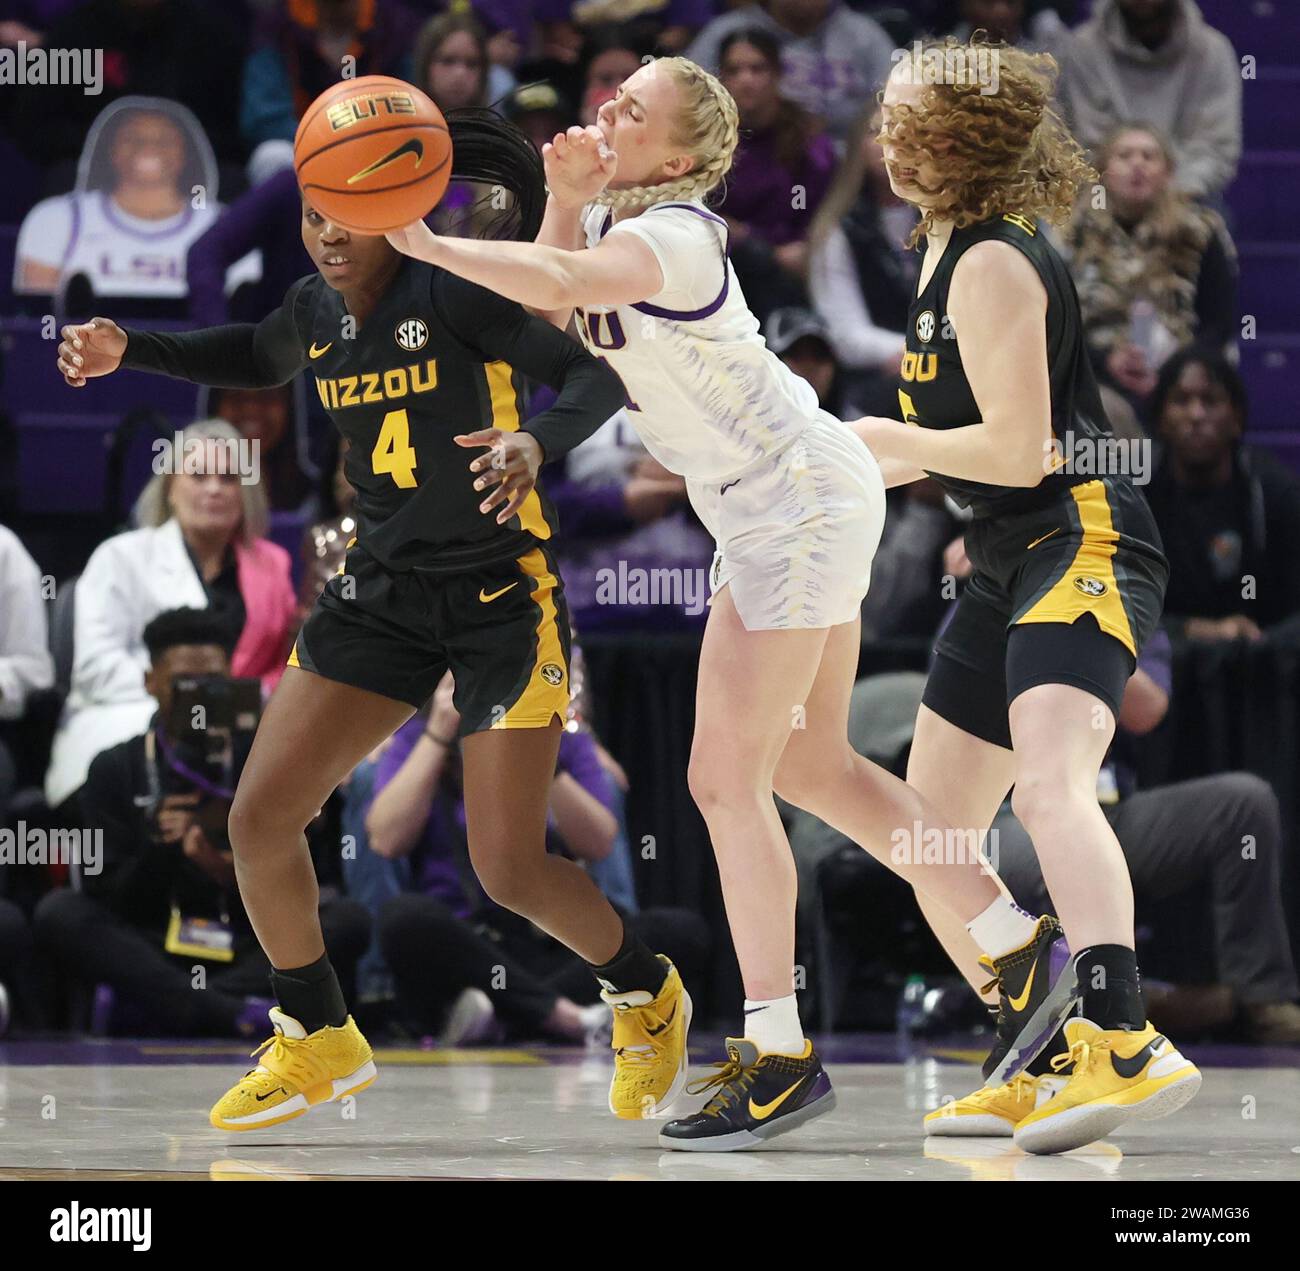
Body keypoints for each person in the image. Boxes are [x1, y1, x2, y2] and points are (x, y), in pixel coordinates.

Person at [383, 55, 1064, 1153]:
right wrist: (560, 198)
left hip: (790, 498)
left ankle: (779, 1049)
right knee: (810, 768)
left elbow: (559, 289)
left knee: (723, 779)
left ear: (683, 157)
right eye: (611, 97)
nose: (608, 111)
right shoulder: (613, 221)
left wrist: (422, 241)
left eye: (631, 110)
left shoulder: (680, 236)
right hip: (783, 499)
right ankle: (1017, 944)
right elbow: (554, 326)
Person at [54, 109, 681, 1136]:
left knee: (507, 866)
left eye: (348, 214)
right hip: (381, 592)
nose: (327, 234)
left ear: (395, 214)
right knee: (259, 817)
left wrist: (532, 441)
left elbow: (591, 378)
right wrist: (136, 347)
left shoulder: (460, 292)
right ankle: (317, 1031)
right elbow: (253, 352)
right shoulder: (312, 310)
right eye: (312, 216)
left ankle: (642, 986)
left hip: (497, 596)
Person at [852, 40, 1200, 1155]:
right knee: (932, 836)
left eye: (902, 120)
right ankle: (1039, 1045)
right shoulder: (936, 246)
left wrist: (878, 441)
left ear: (957, 141)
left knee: (1051, 788)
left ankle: (1121, 1031)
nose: (879, 138)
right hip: (1001, 554)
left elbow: (1016, 446)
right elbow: (955, 457)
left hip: (1077, 534)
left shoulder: (993, 260)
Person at [34, 608, 371, 1038]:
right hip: (156, 940)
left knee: (349, 919)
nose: (196, 698)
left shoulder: (266, 757)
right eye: (181, 683)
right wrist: (161, 849)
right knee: (60, 913)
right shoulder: (115, 767)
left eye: (210, 682)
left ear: (231, 677)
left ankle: (190, 1008)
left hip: (252, 941)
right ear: (150, 682)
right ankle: (236, 1013)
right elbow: (110, 897)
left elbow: (314, 878)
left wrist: (234, 867)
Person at [44, 418, 296, 811]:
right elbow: (96, 668)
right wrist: (186, 698)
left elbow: (281, 664)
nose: (214, 489)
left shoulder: (273, 564)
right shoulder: (121, 556)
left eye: (229, 478)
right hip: (127, 718)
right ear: (170, 489)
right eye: (198, 476)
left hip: (247, 731)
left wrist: (239, 702)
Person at [1065, 123, 1237, 408]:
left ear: (1168, 173)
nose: (1137, 165)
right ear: (1102, 172)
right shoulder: (1071, 234)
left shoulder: (1200, 232)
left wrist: (1175, 369)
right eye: (1124, 155)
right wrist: (1106, 361)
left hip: (1180, 376)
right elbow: (1055, 327)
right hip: (1090, 372)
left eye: (1148, 156)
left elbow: (1218, 325)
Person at [1145, 347, 1300, 643]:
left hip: (1261, 660)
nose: (1196, 415)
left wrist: (1263, 642)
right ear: (1161, 419)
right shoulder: (1136, 498)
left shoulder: (1273, 493)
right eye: (1181, 400)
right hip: (1167, 662)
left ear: (1236, 418)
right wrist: (1193, 630)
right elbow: (1115, 611)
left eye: (1211, 400)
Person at [712, 27, 837, 323]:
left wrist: (802, 247)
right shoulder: (707, 143)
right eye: (734, 70)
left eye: (757, 69)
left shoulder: (809, 143)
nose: (746, 80)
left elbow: (816, 212)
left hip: (797, 266)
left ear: (778, 73)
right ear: (721, 79)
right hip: (726, 264)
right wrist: (746, 239)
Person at [1060, 0, 1241, 200]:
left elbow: (1214, 147)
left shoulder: (1213, 51)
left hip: (1187, 196)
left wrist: (1170, 195)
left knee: (1210, 219)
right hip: (1103, 194)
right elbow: (1085, 144)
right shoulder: (1082, 48)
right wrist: (1126, 189)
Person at [686, 0, 895, 140]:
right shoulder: (729, 32)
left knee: (881, 146)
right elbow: (686, 101)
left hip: (846, 157)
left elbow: (897, 104)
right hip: (746, 151)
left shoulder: (864, 35)